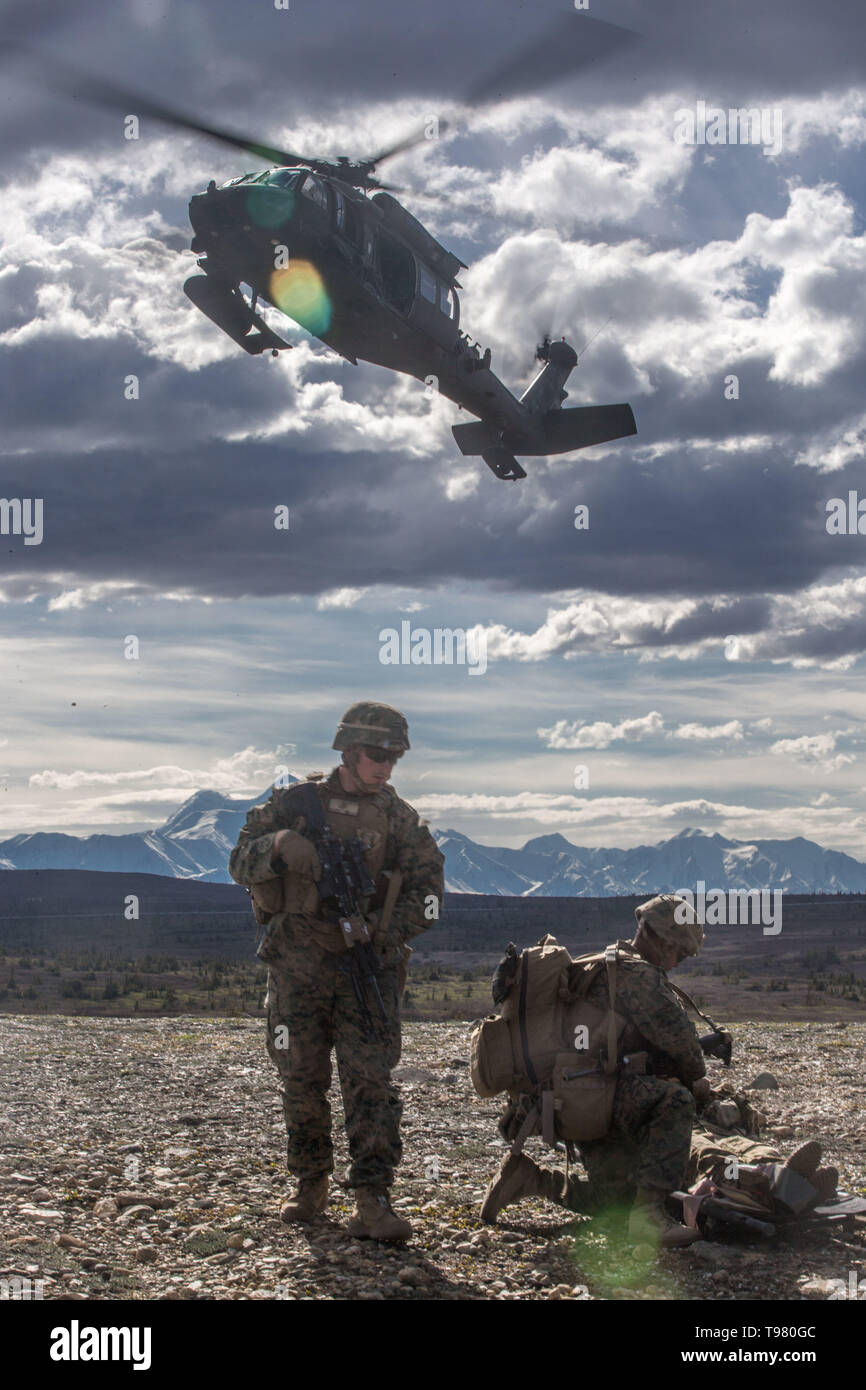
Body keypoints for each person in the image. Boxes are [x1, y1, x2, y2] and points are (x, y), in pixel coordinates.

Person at [229, 701, 444, 1241]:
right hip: (298, 968)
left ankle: (372, 1198)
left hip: (365, 970)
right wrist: (277, 846)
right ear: (349, 751)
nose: (386, 767)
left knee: (370, 1082)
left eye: (394, 757)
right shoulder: (295, 804)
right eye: (377, 755)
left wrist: (382, 930)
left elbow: (430, 896)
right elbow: (237, 863)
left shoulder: (400, 819)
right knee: (300, 1079)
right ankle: (310, 1186)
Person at [481, 894, 712, 1248]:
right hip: (588, 1098)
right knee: (676, 1101)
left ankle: (531, 1179)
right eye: (681, 952)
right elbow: (686, 1048)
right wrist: (701, 1087)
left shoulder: (603, 963)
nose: (679, 962)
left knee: (616, 1204)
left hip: (566, 1098)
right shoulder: (640, 976)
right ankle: (649, 1219)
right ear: (664, 940)